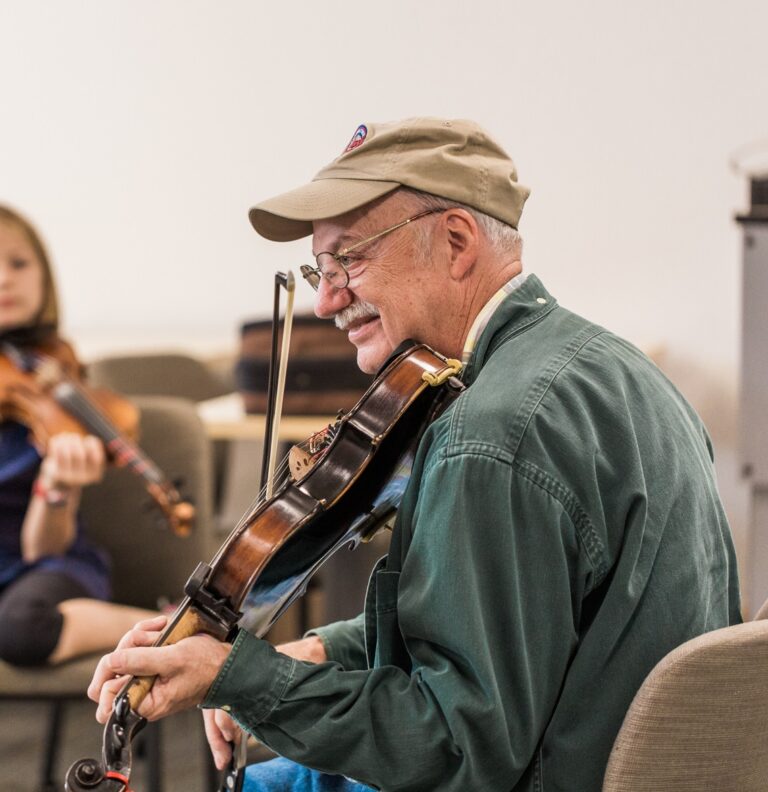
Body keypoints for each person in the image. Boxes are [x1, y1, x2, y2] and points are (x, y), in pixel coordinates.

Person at [88, 118, 741, 791]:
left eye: (350, 259)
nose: (324, 299)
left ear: (456, 242)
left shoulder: (488, 437)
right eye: (320, 267)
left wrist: (244, 679)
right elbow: (515, 627)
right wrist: (320, 650)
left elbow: (458, 753)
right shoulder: (610, 365)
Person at [0, 204, 155, 666]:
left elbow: (41, 549)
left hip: (42, 571)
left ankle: (182, 631)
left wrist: (58, 485)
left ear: (44, 277)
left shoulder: (56, 387)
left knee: (21, 625)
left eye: (19, 263)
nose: (5, 278)